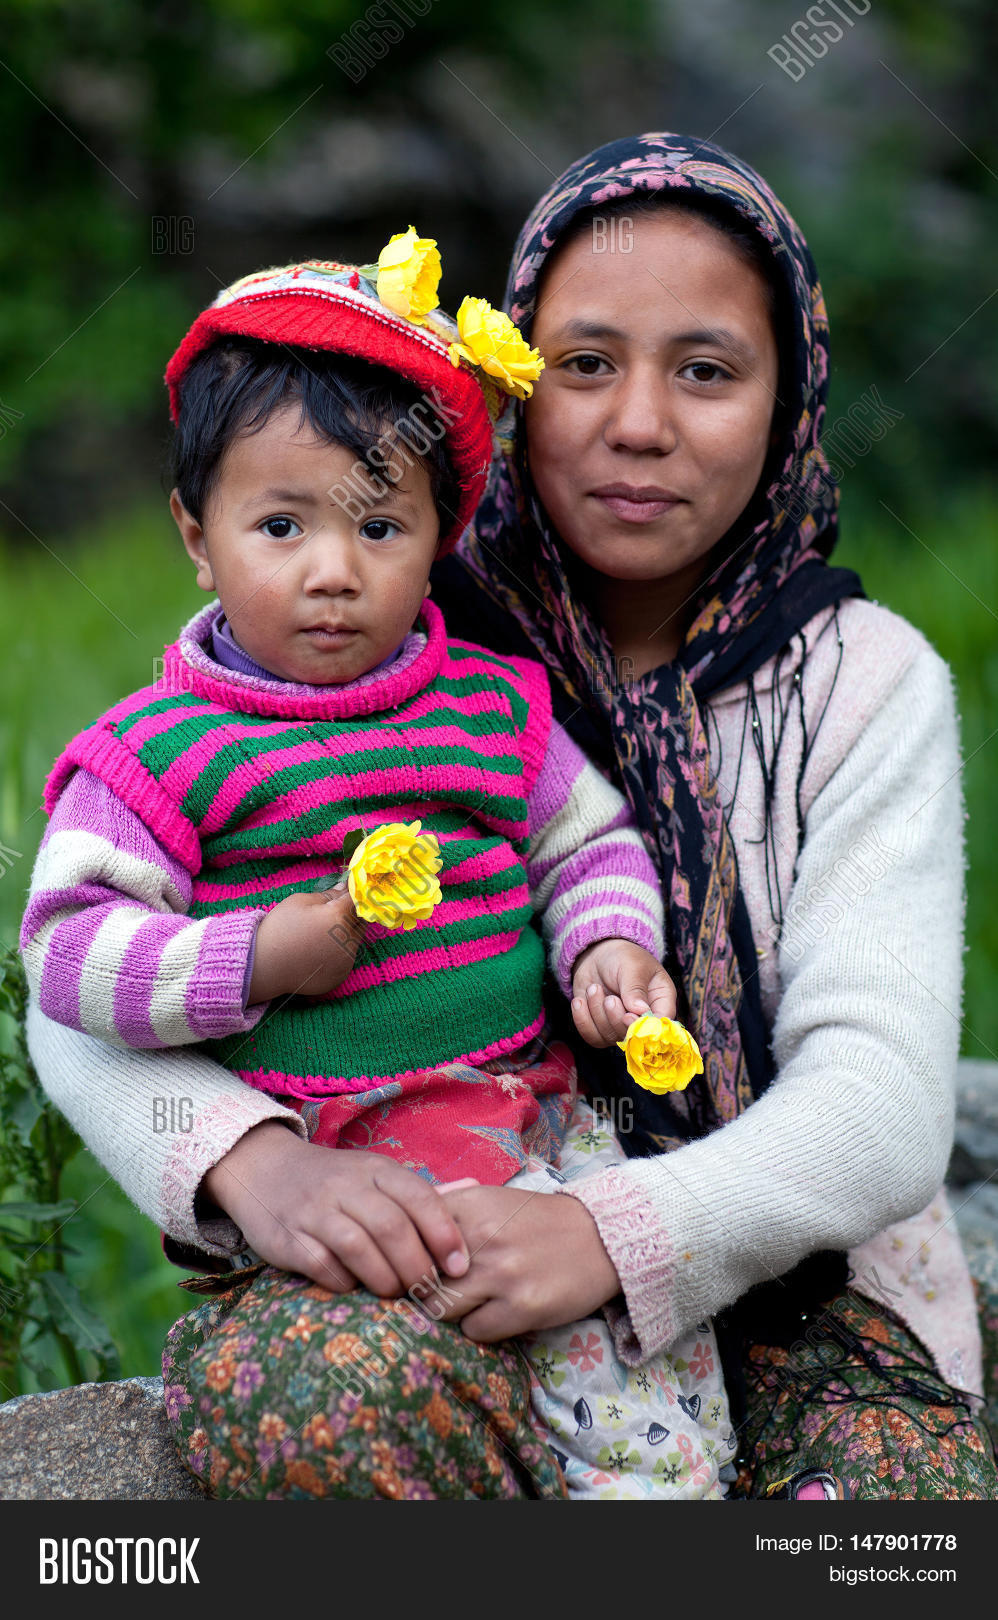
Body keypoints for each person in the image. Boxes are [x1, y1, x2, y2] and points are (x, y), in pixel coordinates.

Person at [22, 134, 998, 1500]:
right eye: (585, 364)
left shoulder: (858, 684)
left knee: (906, 1520)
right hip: (416, 1234)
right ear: (508, 386)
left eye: (706, 370)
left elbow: (883, 1106)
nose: (639, 422)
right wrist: (249, 1163)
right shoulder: (379, 613)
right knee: (322, 1402)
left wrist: (611, 1235)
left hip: (791, 1280)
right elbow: (78, 977)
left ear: (788, 398)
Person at [20, 251, 739, 1500]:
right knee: (385, 1384)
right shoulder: (159, 754)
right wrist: (260, 957)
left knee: (651, 1433)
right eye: (281, 525)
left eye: (379, 525)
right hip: (329, 1166)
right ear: (197, 536)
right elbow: (69, 952)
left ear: (437, 539)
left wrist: (607, 948)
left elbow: (583, 841)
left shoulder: (487, 705)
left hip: (538, 1132)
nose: (333, 571)